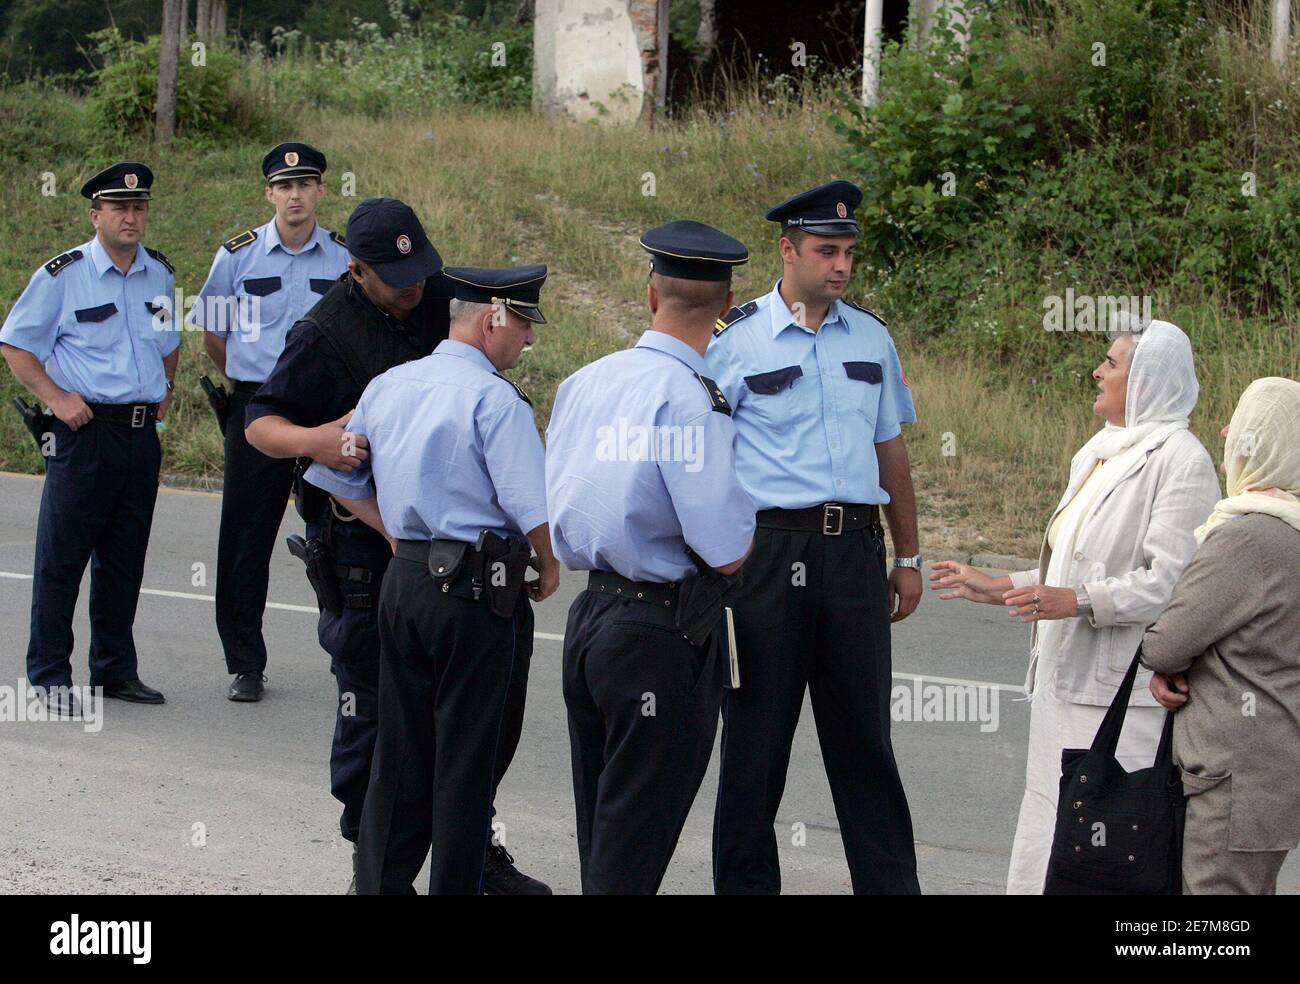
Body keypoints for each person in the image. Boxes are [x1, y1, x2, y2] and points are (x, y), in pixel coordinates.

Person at [929, 318, 1221, 894]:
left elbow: (1172, 582)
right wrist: (999, 584)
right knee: (1046, 828)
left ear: (1146, 382)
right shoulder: (1102, 451)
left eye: (1111, 364)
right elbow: (1073, 568)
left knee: (1106, 844)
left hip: (1120, 694)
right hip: (1062, 685)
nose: (1097, 371)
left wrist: (1080, 600)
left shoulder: (1182, 460)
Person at [305, 264, 559, 894]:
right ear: (493, 316)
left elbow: (337, 476)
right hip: (474, 595)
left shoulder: (389, 385)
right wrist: (549, 564)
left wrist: (396, 530)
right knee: (467, 763)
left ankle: (378, 888)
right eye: (524, 323)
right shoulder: (494, 400)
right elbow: (533, 506)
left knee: (401, 753)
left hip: (406, 582)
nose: (527, 341)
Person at [705, 180, 922, 895]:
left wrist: (909, 556)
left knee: (866, 744)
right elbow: (706, 459)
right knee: (756, 744)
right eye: (827, 251)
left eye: (849, 252)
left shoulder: (871, 336)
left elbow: (891, 450)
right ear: (788, 250)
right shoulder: (735, 342)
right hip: (768, 557)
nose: (842, 266)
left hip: (856, 554)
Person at [244, 197, 451, 890]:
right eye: (396, 278)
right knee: (371, 714)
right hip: (361, 554)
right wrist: (316, 440)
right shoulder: (323, 333)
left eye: (418, 269)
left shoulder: (431, 296)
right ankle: (373, 866)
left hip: (434, 544)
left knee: (449, 715)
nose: (413, 287)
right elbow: (260, 426)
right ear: (357, 270)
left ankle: (469, 852)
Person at [546, 220, 756, 894]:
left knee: (603, 830)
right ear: (726, 309)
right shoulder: (694, 399)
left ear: (649, 297)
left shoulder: (585, 382)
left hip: (591, 616)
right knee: (633, 843)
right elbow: (724, 550)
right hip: (659, 634)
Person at [0, 162, 178, 708]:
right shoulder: (62, 275)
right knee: (63, 556)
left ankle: (114, 669)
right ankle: (50, 674)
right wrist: (57, 399)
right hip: (82, 433)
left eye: (139, 207)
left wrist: (160, 396)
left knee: (125, 558)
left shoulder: (159, 273)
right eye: (119, 208)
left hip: (139, 434)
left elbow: (167, 344)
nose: (131, 216)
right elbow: (16, 345)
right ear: (95, 215)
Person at [189, 142, 349, 702]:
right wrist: (249, 384)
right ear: (269, 193)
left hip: (326, 410)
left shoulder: (345, 259)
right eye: (284, 186)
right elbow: (212, 333)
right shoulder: (236, 256)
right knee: (245, 536)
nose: (295, 194)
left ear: (321, 191)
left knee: (337, 531)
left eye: (305, 183)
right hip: (257, 405)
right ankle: (245, 662)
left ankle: (348, 654)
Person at [1143, 376, 1300, 895]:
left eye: (1246, 424)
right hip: (1273, 771)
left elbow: (1167, 641)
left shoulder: (1249, 536)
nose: (1228, 431)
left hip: (1235, 777)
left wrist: (1172, 662)